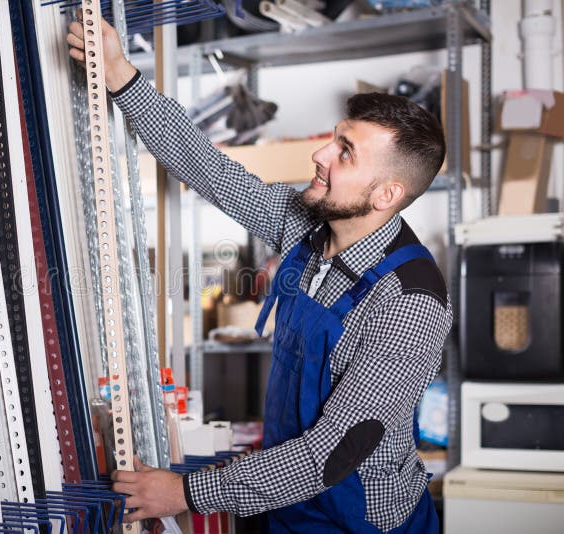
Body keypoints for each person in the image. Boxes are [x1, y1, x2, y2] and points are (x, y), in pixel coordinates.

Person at [67, 16, 452, 534]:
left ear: (386, 195)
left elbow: (329, 455)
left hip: (360, 522)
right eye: (334, 139)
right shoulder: (309, 230)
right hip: (288, 507)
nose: (320, 155)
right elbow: (212, 171)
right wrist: (120, 75)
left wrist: (183, 492)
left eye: (345, 152)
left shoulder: (409, 303)